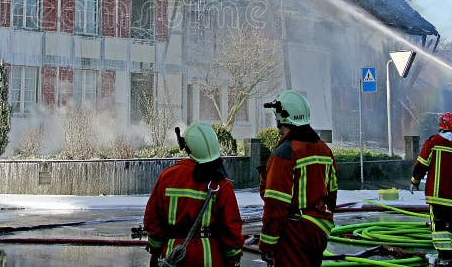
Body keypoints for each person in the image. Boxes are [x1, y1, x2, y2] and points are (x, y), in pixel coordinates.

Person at [143, 121, 243, 267]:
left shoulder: (167, 177)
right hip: (210, 259)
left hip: (173, 256)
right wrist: (233, 260)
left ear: (188, 148)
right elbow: (231, 230)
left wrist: (156, 250)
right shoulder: (221, 185)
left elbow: (152, 220)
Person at [258, 90, 338, 267]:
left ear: (282, 117)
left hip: (294, 232)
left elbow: (275, 204)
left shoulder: (285, 153)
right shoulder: (324, 149)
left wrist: (267, 244)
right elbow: (332, 193)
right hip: (318, 230)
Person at [410, 111, 452, 266]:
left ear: (442, 124)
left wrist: (414, 180)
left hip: (437, 195)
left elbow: (422, 164)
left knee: (439, 226)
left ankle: (444, 258)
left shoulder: (433, 141)